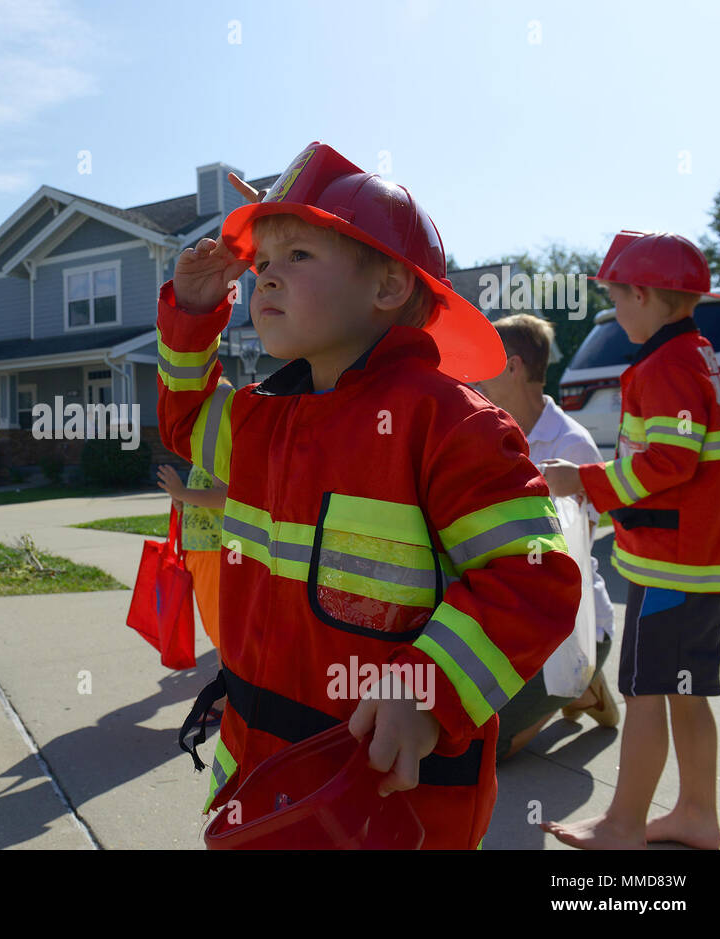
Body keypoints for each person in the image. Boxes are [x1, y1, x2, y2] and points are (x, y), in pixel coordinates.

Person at [158, 142, 580, 850]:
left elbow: (532, 576)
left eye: (297, 257)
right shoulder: (261, 417)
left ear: (387, 287)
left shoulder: (448, 421)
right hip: (261, 781)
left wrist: (428, 687)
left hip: (385, 801)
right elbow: (184, 418)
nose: (265, 278)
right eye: (261, 263)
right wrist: (195, 313)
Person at [537, 231, 720, 850]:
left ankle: (623, 826)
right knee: (686, 691)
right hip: (697, 562)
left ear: (644, 295)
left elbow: (668, 464)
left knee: (645, 692)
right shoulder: (699, 354)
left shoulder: (666, 368)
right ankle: (697, 814)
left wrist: (585, 481)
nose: (617, 313)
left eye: (618, 299)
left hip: (670, 568)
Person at [472, 314, 618, 761]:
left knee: (491, 749)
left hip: (567, 626)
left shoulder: (570, 446)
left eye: (485, 364)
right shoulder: (487, 435)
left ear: (513, 367)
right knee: (458, 727)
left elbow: (577, 549)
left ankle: (585, 685)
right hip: (506, 615)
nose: (475, 377)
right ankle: (576, 689)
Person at [157, 436, 231, 722]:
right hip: (201, 551)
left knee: (221, 632)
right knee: (218, 630)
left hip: (214, 551)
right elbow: (200, 503)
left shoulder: (219, 446)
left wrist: (183, 493)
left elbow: (226, 496)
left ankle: (225, 701)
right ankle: (229, 696)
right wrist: (179, 499)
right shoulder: (205, 450)